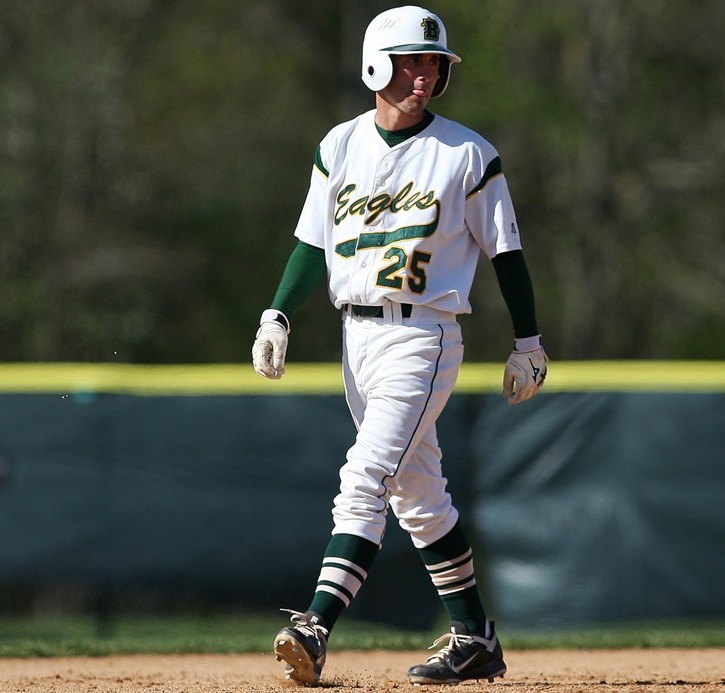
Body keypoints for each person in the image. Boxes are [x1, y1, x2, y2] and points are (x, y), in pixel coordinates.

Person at [251, 5, 547, 687]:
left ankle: (315, 623)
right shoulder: (340, 144)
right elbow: (311, 243)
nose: (426, 75)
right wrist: (277, 312)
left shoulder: (468, 154)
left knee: (366, 475)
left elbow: (508, 254)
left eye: (434, 64)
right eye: (412, 61)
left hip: (424, 334)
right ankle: (475, 637)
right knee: (418, 495)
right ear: (376, 64)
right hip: (356, 335)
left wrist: (527, 338)